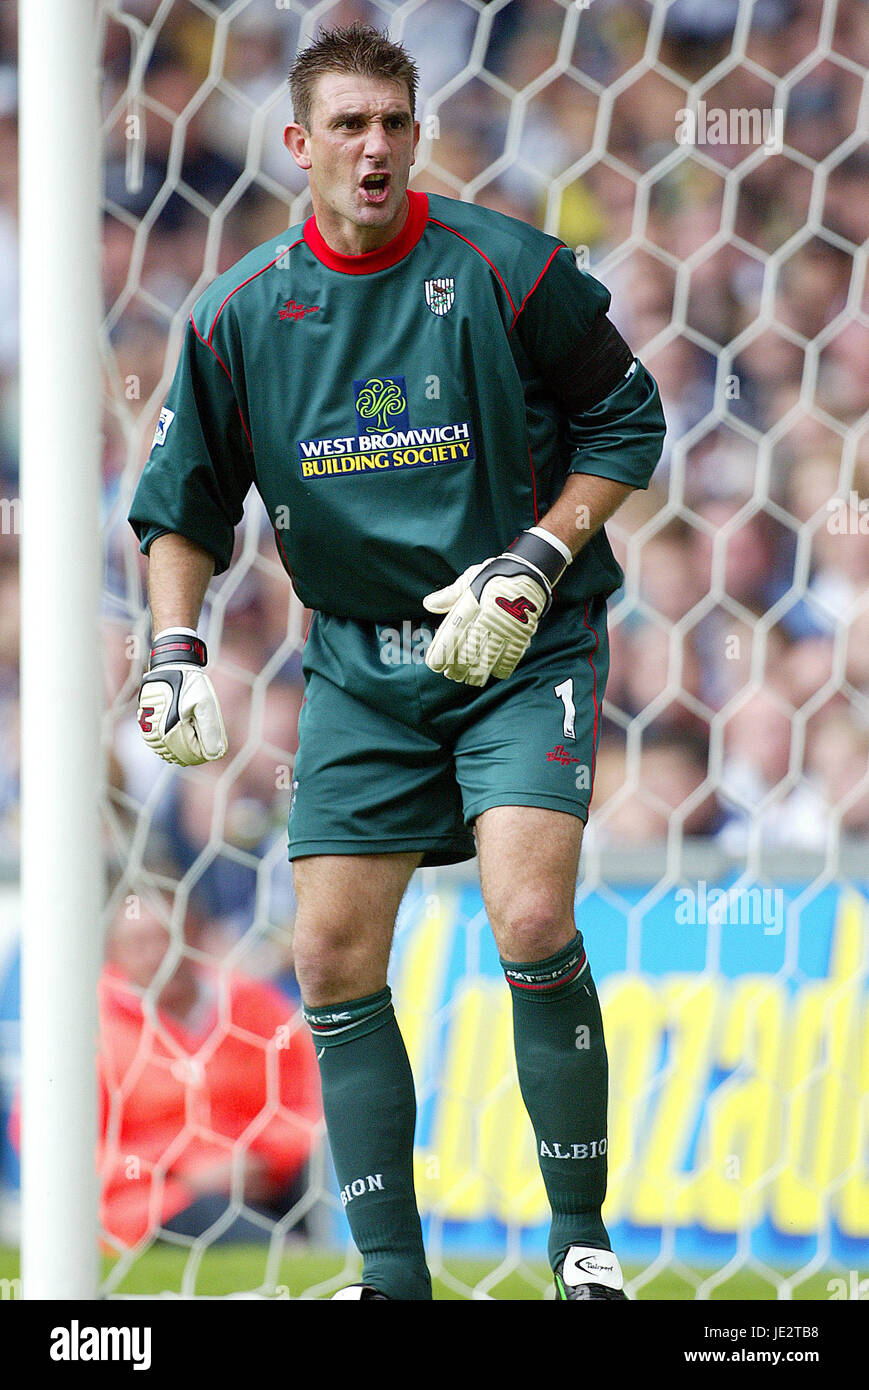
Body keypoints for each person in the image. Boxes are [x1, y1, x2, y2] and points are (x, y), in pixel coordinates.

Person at [128, 24, 666, 1300]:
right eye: (350, 125)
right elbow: (179, 512)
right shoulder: (236, 315)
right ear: (299, 144)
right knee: (324, 955)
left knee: (529, 913)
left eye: (396, 124)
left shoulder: (504, 267)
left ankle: (579, 1241)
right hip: (362, 665)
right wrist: (175, 648)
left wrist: (534, 556)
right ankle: (389, 1274)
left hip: (520, 643)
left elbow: (626, 417)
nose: (376, 147)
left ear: (415, 138)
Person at [96, 896, 321, 1249]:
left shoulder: (252, 1005)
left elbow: (308, 1105)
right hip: (156, 1200)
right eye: (139, 943)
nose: (156, 954)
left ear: (195, 935)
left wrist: (263, 1157)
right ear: (114, 953)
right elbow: (63, 1150)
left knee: (328, 1173)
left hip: (262, 1177)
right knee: (268, 1245)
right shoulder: (91, 1030)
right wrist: (182, 1171)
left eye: (166, 937)